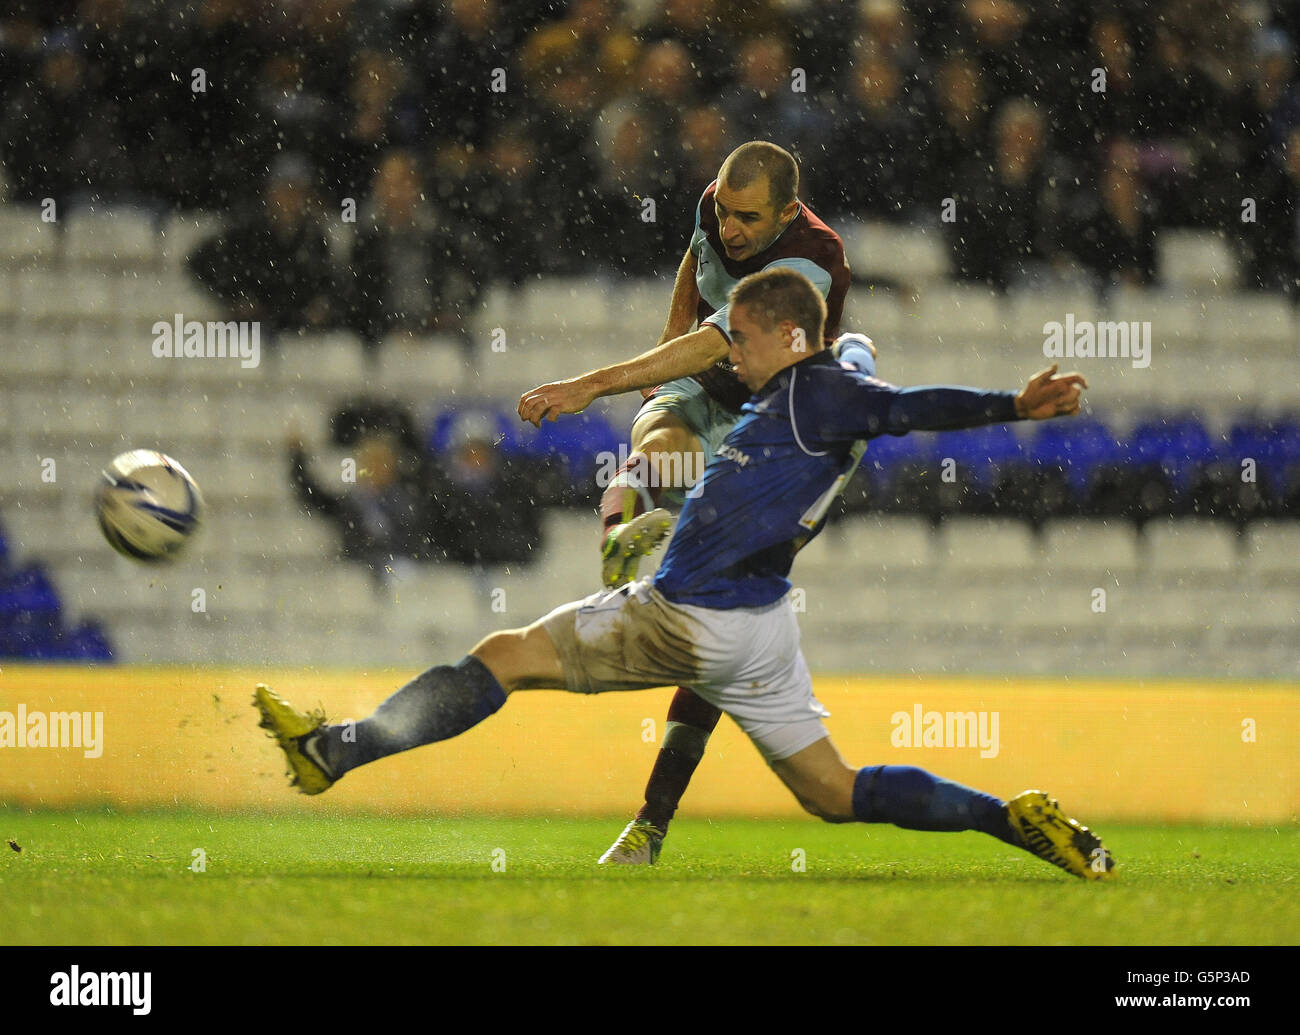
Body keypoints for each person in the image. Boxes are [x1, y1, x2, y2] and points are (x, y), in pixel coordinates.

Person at [255, 267, 1112, 883]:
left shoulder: (815, 392)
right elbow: (859, 366)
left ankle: (335, 751)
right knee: (833, 791)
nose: (727, 353)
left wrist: (1012, 405)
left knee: (505, 655)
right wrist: (851, 344)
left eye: (737, 337)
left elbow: (901, 407)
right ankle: (1016, 820)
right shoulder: (807, 387)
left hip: (690, 613)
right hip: (760, 629)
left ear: (785, 335)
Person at [517, 139, 853, 863]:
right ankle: (621, 535)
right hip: (709, 390)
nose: (730, 228)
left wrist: (586, 385)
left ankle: (652, 819)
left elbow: (713, 343)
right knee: (661, 429)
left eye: (748, 218)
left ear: (788, 212)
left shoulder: (814, 258)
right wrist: (663, 345)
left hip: (775, 429)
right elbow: (695, 268)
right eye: (726, 211)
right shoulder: (714, 206)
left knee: (718, 624)